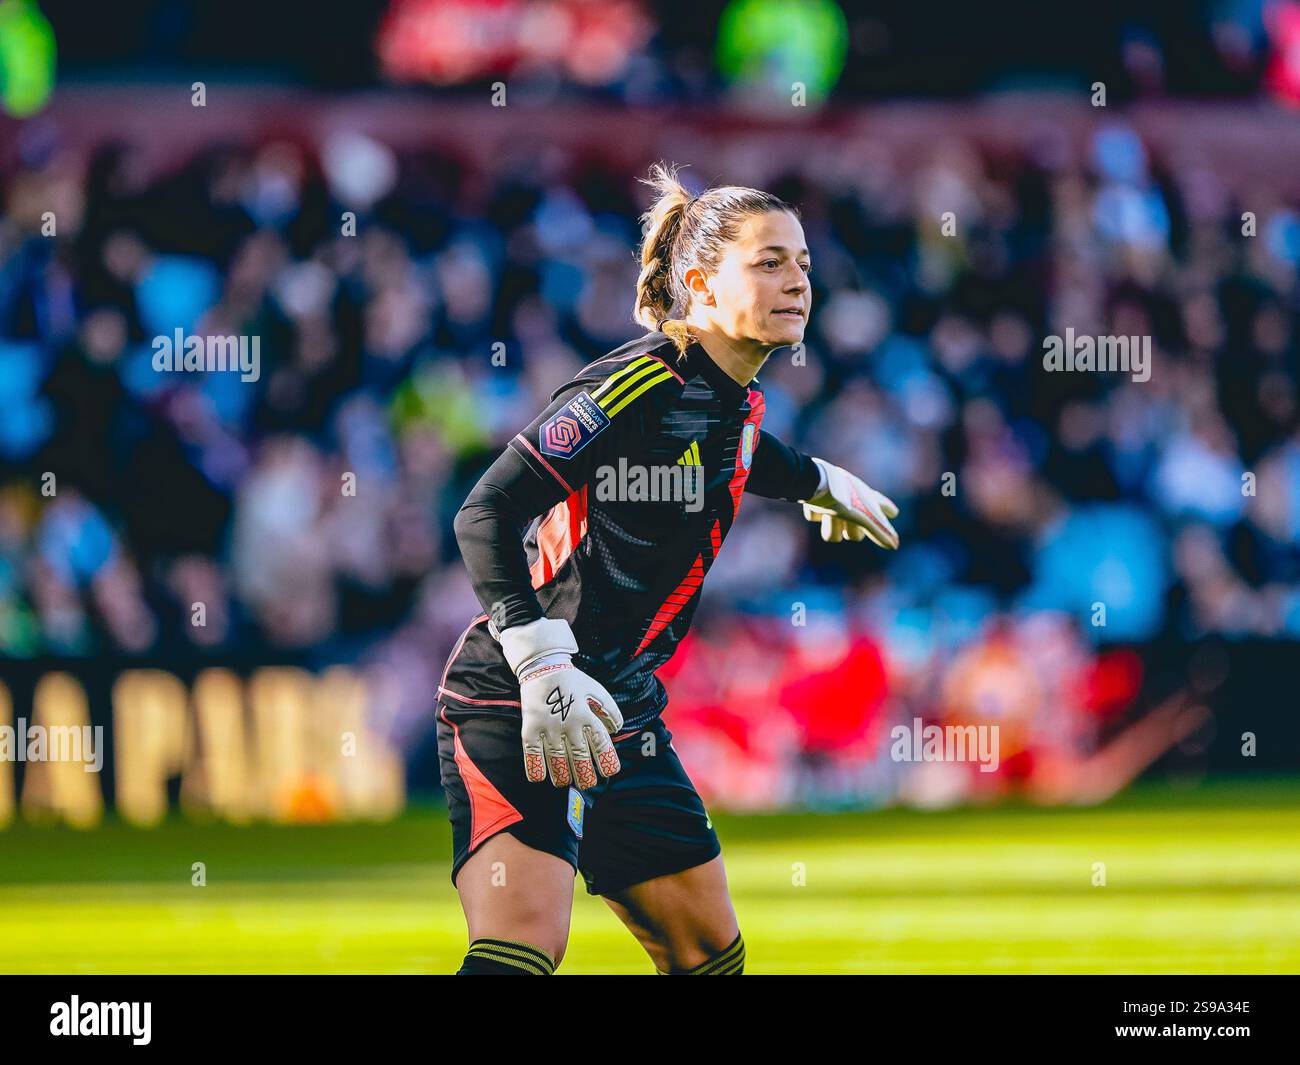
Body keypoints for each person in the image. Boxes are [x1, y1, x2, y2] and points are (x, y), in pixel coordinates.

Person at [438, 163, 900, 975]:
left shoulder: (735, 397)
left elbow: (733, 451)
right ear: (701, 284)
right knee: (520, 951)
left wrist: (817, 481)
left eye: (802, 264)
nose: (797, 281)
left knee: (707, 956)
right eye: (768, 263)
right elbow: (484, 512)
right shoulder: (637, 381)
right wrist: (541, 660)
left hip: (623, 706)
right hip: (519, 695)